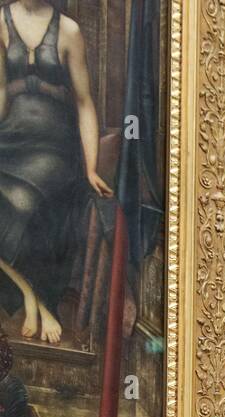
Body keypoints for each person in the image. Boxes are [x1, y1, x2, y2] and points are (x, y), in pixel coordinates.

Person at [0, 1, 111, 344]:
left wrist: (91, 166)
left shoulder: (68, 31)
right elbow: (0, 90)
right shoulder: (0, 20)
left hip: (54, 144)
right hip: (11, 135)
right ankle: (31, 298)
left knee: (24, 202)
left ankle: (40, 300)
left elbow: (84, 102)